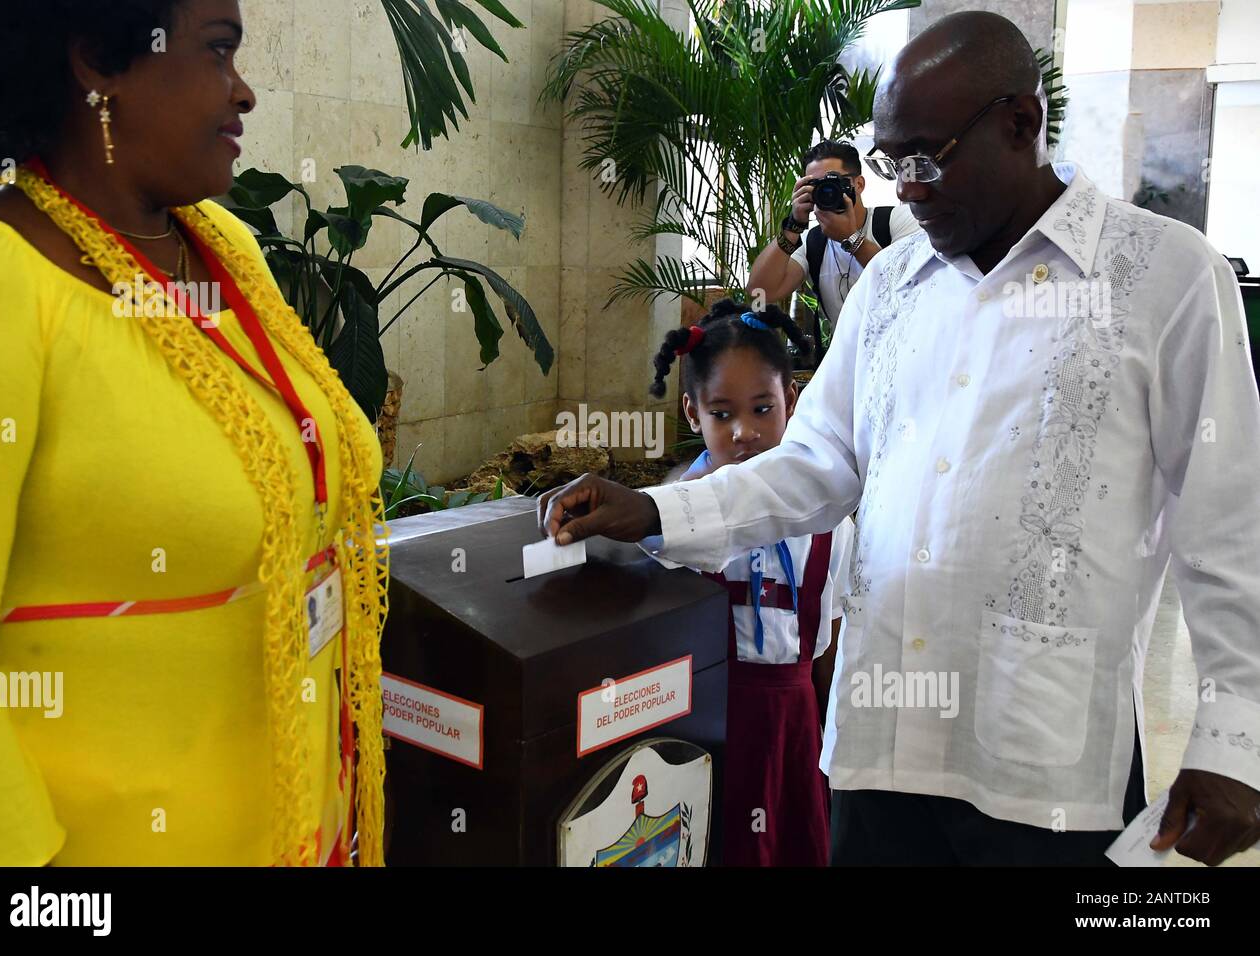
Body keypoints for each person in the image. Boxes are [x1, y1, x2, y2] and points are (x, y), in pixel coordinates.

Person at [539, 10, 1260, 866]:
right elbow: (817, 464)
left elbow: (1230, 519)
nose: (905, 190)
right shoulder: (893, 291)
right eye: (890, 164)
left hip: (1045, 761)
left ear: (1019, 123)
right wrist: (659, 510)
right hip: (883, 752)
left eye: (926, 157)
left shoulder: (1163, 276)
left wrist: (1235, 739)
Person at [0, 0, 387, 865]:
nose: (245, 92)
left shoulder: (222, 244)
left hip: (309, 827)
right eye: (219, 52)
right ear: (94, 60)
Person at [647, 299, 854, 866]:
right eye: (721, 413)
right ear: (692, 413)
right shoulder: (666, 523)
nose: (744, 432)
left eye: (763, 408)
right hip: (700, 738)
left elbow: (825, 650)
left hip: (791, 738)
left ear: (791, 400)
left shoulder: (831, 525)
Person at [746, 140, 920, 367]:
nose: (826, 190)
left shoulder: (897, 220)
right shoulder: (813, 241)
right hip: (848, 368)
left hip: (906, 360)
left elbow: (907, 284)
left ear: (859, 184)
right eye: (815, 185)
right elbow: (762, 291)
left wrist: (851, 239)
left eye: (834, 182)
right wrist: (792, 226)